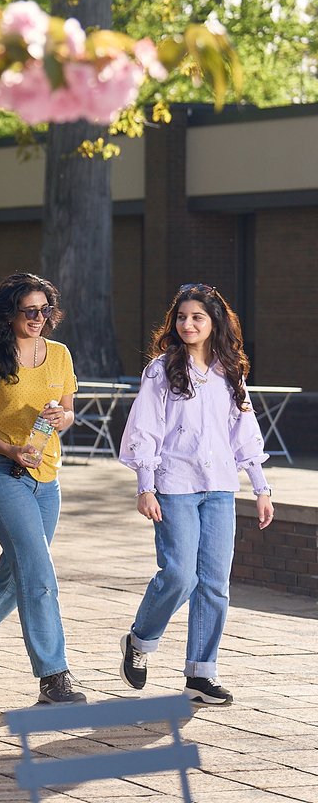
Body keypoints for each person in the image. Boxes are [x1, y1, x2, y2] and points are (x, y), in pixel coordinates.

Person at [117, 283, 273, 706]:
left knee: (214, 584)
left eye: (197, 318)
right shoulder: (161, 369)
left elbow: (244, 431)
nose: (188, 324)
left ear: (214, 323)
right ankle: (140, 639)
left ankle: (201, 674)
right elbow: (145, 429)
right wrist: (145, 486)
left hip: (220, 487)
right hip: (175, 486)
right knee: (180, 575)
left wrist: (261, 488)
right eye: (182, 317)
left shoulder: (230, 370)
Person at [0, 271, 85, 706]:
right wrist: (8, 448)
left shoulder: (60, 355)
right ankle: (54, 675)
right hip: (0, 472)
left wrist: (60, 419)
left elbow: (69, 412)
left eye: (44, 310)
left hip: (47, 477)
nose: (37, 318)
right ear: (10, 313)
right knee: (39, 570)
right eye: (29, 310)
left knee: (17, 575)